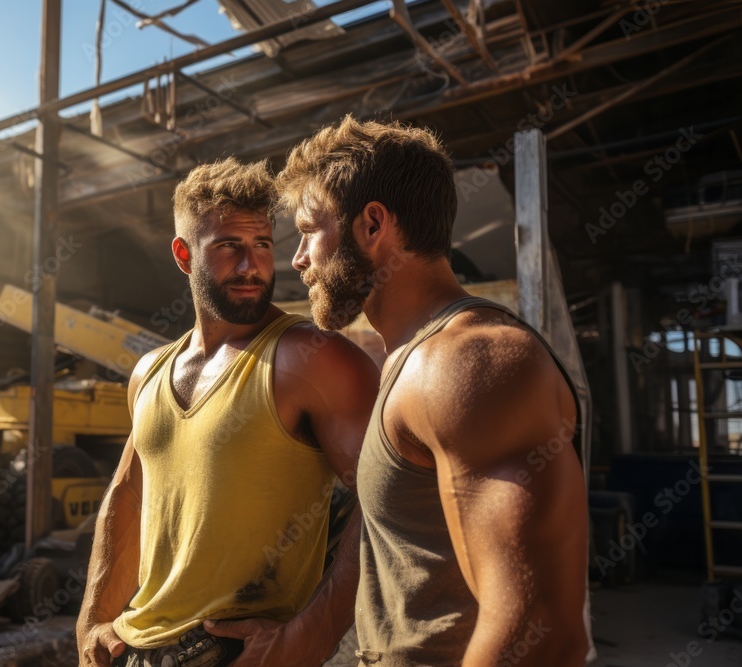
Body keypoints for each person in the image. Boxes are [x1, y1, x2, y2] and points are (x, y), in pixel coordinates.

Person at [276, 116, 593, 666]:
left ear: (372, 226)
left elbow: (542, 633)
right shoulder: (410, 359)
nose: (300, 259)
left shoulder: (465, 362)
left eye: (309, 230)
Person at [76, 157, 379, 667]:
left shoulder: (314, 359)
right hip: (138, 650)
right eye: (228, 247)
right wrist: (91, 623)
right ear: (183, 254)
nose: (250, 265)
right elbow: (129, 494)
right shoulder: (148, 372)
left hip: (241, 654)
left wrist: (307, 637)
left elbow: (387, 503)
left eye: (262, 245)